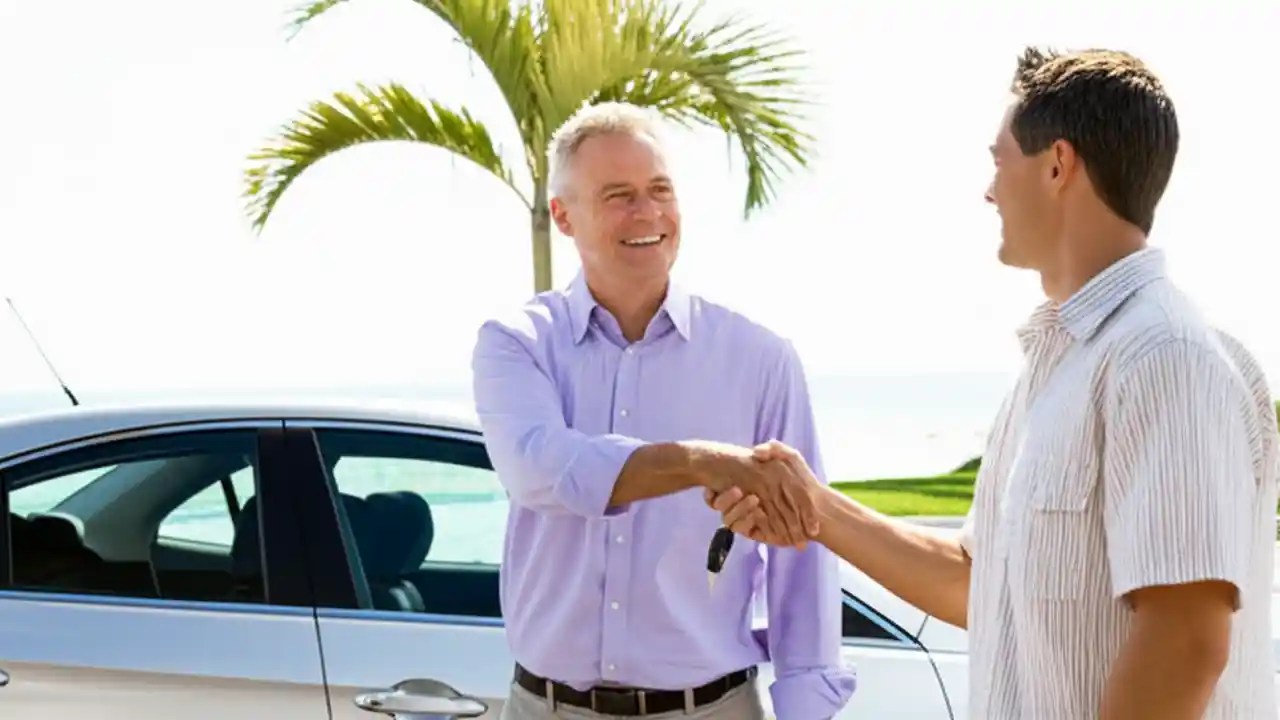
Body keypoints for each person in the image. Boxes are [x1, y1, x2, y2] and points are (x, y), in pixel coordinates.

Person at [710, 47, 1279, 720]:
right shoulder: (1056, 370)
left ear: (1058, 165)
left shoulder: (1164, 356)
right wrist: (815, 508)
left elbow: (1185, 639)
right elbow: (973, 583)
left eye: (998, 160)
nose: (988, 190)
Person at [470, 101, 855, 719]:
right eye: (618, 194)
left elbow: (802, 548)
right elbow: (540, 469)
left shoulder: (760, 359)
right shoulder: (516, 344)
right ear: (563, 217)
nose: (646, 213)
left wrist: (807, 705)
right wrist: (701, 462)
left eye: (659, 190)